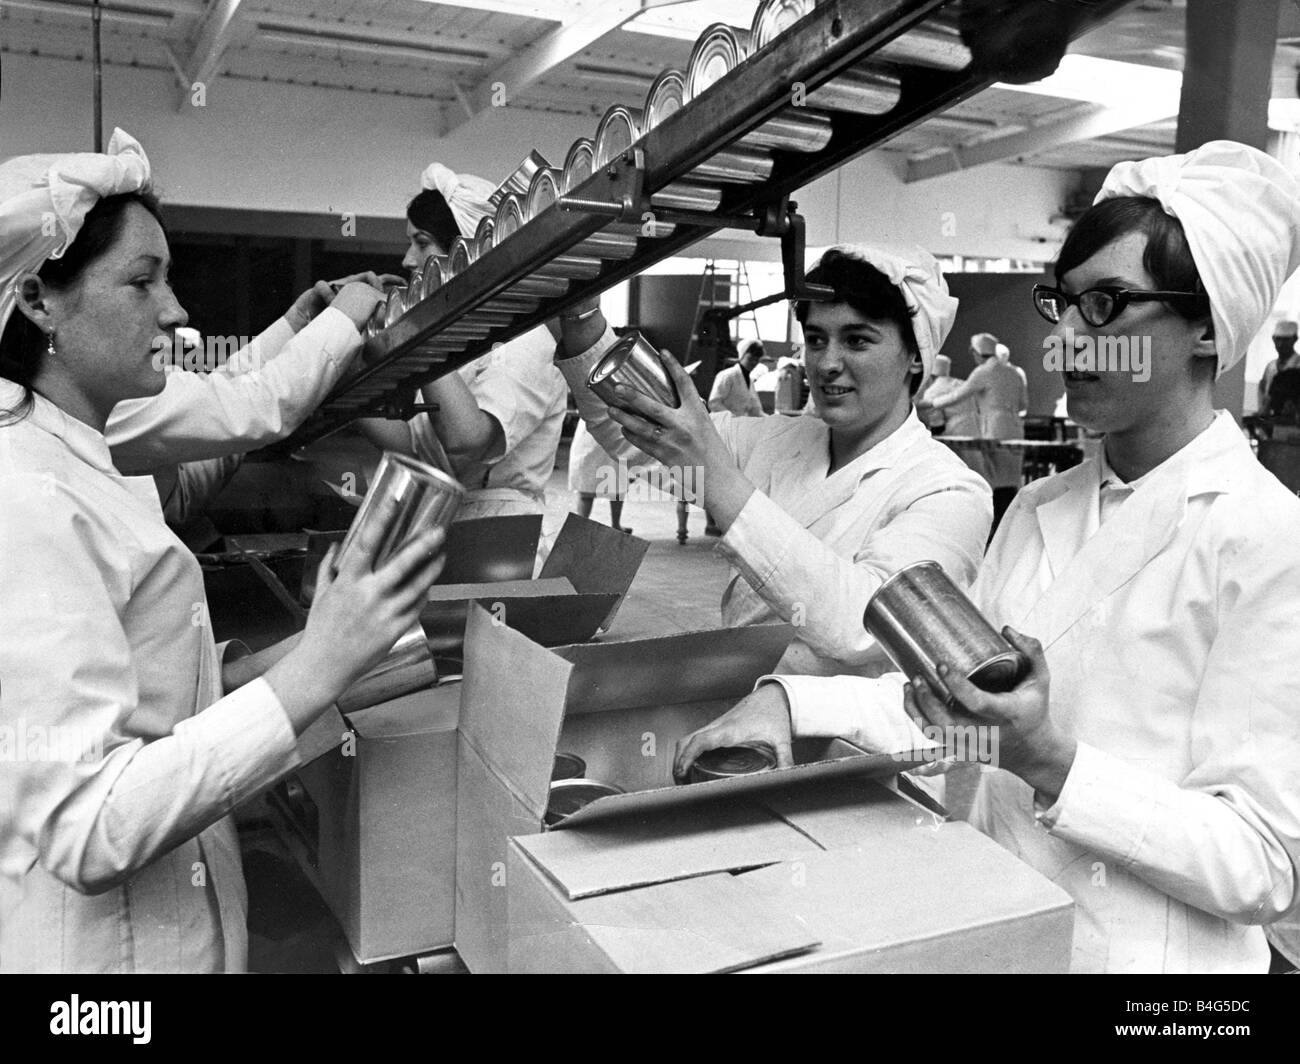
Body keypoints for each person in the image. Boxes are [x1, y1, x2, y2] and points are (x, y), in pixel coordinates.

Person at [676, 141, 1300, 974]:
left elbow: (1260, 866)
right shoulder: (1042, 509)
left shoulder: (1264, 537)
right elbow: (962, 732)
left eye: (1108, 308)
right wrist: (801, 708)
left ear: (1204, 330)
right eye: (1066, 306)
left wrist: (1050, 763)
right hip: (1000, 923)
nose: (1071, 341)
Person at [0, 131, 448, 973]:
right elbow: (85, 825)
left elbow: (138, 700)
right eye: (142, 282)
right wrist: (315, 666)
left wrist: (314, 652)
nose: (174, 313)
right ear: (36, 301)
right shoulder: (23, 495)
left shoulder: (90, 454)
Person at [556, 243, 992, 677]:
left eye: (857, 340)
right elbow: (639, 435)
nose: (826, 363)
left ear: (915, 355)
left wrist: (719, 481)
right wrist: (582, 317)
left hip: (846, 738)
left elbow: (861, 625)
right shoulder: (777, 440)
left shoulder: (949, 490)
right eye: (816, 340)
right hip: (736, 697)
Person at [358, 162, 567, 523]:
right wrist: (349, 356)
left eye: (421, 243)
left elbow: (468, 440)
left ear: (463, 251)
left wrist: (415, 333)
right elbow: (413, 446)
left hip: (500, 528)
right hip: (444, 518)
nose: (408, 260)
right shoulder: (457, 339)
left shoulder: (524, 340)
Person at [920, 331, 1029, 526]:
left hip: (993, 428)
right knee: (1011, 479)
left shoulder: (983, 372)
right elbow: (1022, 404)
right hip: (1015, 428)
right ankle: (1012, 525)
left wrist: (930, 404)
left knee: (993, 480)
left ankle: (995, 529)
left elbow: (957, 396)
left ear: (977, 353)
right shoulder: (1013, 372)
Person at [568, 418, 632, 532]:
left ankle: (615, 524)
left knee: (615, 482)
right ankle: (612, 525)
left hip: (611, 427)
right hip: (597, 426)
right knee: (589, 483)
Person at [916, 353, 978, 436]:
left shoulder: (933, 391)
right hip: (975, 428)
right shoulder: (962, 383)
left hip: (954, 431)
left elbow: (936, 424)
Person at [708, 337, 766, 417]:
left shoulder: (749, 381)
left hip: (739, 424)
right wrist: (733, 418)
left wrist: (771, 420)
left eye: (756, 360)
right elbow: (714, 403)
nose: (753, 362)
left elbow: (755, 410)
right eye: (750, 359)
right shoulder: (727, 375)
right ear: (741, 356)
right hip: (723, 424)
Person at [1258, 319, 1298, 413]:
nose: (1281, 344)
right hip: (1271, 420)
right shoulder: (1270, 367)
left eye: (1286, 340)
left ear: (1295, 339)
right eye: (1278, 339)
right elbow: (1263, 392)